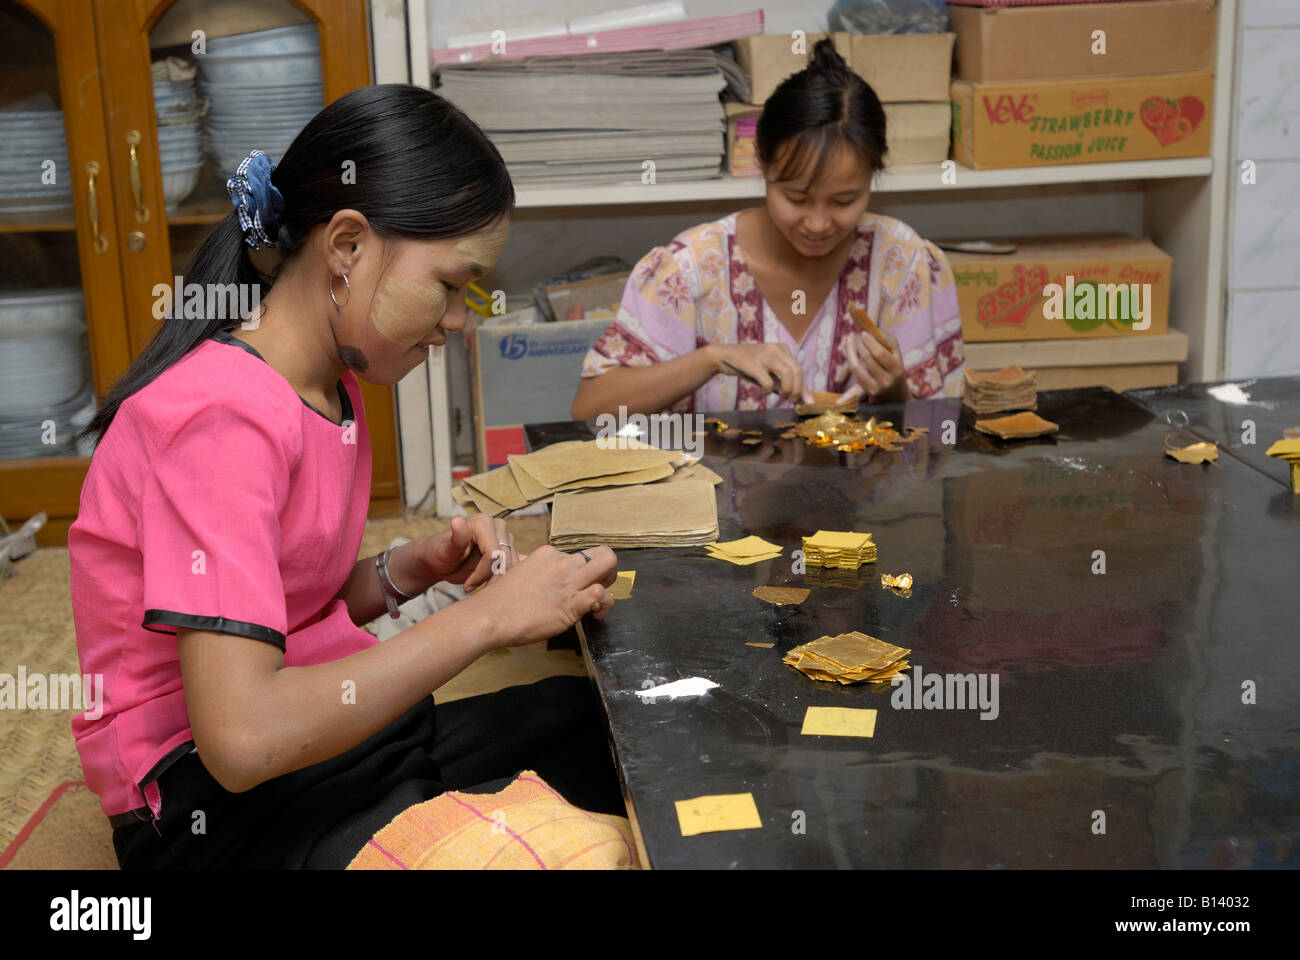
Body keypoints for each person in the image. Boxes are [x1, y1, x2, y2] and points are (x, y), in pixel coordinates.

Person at [69, 84, 624, 870]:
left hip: (330, 750)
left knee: (596, 721)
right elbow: (241, 738)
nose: (459, 318)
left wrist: (405, 572)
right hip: (224, 809)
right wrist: (488, 619)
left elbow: (278, 605)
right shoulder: (221, 418)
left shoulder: (330, 388)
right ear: (348, 247)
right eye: (450, 284)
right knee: (567, 851)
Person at [572, 39, 965, 419]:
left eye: (844, 201)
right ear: (762, 163)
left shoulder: (902, 262)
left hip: (858, 488)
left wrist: (895, 391)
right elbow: (590, 410)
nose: (817, 223)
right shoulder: (691, 269)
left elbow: (944, 434)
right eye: (796, 197)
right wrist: (712, 358)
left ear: (874, 175)